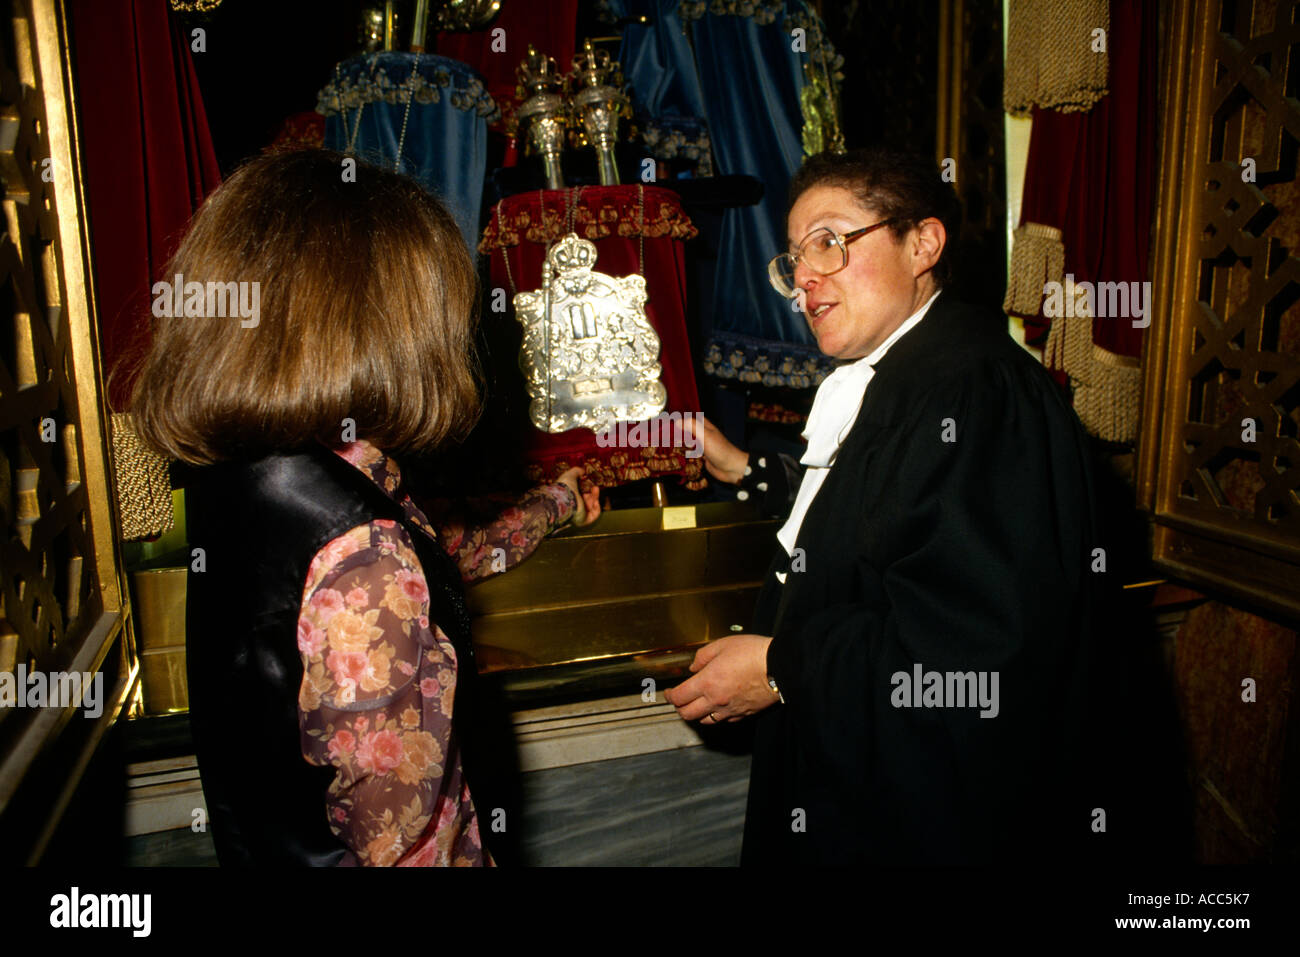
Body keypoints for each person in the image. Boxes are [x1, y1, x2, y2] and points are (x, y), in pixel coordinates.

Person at [129, 148, 600, 866]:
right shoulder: (363, 547)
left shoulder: (243, 472)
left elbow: (439, 553)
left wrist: (556, 503)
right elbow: (409, 849)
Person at [666, 148, 1106, 865]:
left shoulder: (976, 392)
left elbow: (976, 662)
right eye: (794, 258)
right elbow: (878, 515)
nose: (804, 278)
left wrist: (782, 666)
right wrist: (742, 467)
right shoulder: (911, 374)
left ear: (922, 244)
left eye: (829, 242)